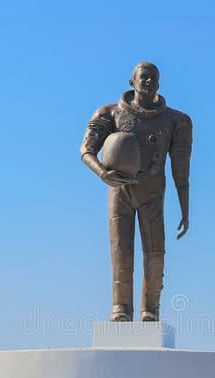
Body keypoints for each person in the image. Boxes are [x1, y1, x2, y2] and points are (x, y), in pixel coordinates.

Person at [80, 62, 193, 322]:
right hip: (120, 191)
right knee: (121, 251)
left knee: (155, 253)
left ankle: (150, 310)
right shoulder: (110, 113)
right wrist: (102, 173)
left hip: (153, 194)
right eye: (144, 76)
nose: (149, 81)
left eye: (154, 77)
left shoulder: (176, 120)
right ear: (132, 80)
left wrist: (185, 210)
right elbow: (86, 150)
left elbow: (181, 170)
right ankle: (120, 308)